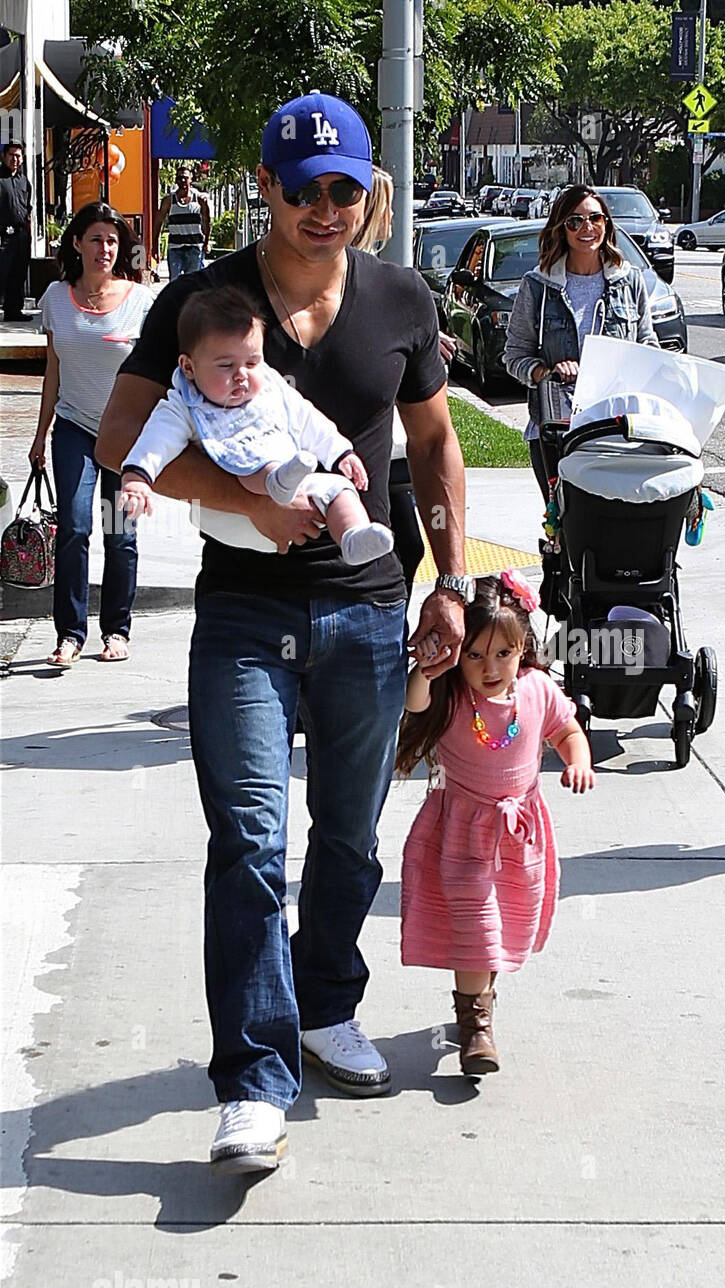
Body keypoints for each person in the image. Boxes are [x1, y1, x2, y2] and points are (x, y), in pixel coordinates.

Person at [96, 92, 470, 1175]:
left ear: (366, 192)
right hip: (246, 613)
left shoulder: (400, 296)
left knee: (349, 837)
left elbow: (436, 444)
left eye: (342, 188)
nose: (322, 207)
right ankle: (253, 1079)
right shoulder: (201, 302)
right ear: (262, 186)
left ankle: (322, 1004)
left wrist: (452, 582)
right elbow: (126, 436)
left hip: (367, 604)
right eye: (301, 188)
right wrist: (250, 503)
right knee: (251, 843)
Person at [397, 572, 594, 1075]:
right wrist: (426, 665)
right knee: (478, 926)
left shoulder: (537, 689)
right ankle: (476, 1030)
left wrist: (577, 759)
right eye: (475, 656)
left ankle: (482, 997)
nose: (490, 668)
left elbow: (566, 728)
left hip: (518, 834)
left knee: (504, 923)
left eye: (503, 654)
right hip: (461, 832)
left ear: (523, 647)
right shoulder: (453, 696)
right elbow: (414, 702)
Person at [119, 284, 394, 566]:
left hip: (295, 485)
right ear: (189, 368)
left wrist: (339, 453)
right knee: (257, 470)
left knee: (338, 490)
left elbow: (307, 418)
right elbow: (156, 440)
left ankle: (353, 537)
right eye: (226, 366)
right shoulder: (186, 406)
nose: (242, 375)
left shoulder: (270, 386)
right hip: (235, 515)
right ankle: (276, 480)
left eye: (252, 362)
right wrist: (138, 478)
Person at [30, 202, 153, 665]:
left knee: (120, 534)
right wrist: (40, 436)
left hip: (124, 437)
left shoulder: (141, 302)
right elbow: (52, 372)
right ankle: (69, 634)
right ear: (77, 243)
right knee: (75, 528)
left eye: (113, 240)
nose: (105, 248)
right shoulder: (55, 299)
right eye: (96, 239)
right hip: (74, 430)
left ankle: (117, 631)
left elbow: (156, 375)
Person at [504, 183, 659, 501]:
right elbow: (515, 356)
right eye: (575, 221)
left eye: (595, 219)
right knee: (565, 528)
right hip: (557, 430)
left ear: (607, 224)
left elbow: (648, 345)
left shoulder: (630, 281)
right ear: (561, 229)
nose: (587, 228)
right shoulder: (538, 286)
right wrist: (547, 373)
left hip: (616, 429)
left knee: (616, 527)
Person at [350, 164, 458, 593]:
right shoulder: (358, 282)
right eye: (389, 207)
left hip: (396, 452)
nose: (394, 218)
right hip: (373, 451)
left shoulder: (394, 286)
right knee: (401, 543)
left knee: (405, 543)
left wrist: (426, 349)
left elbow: (436, 438)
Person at [155, 164, 210, 281]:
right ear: (176, 180)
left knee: (193, 283)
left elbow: (206, 222)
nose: (183, 180)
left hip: (194, 248)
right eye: (179, 178)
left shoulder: (199, 199)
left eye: (185, 177)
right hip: (175, 248)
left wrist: (206, 242)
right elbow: (159, 222)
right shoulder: (169, 201)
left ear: (191, 179)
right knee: (174, 283)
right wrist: (155, 246)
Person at [1, 141, 33, 320]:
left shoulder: (23, 181)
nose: (15, 159)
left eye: (18, 156)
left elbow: (28, 207)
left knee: (18, 273)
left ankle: (13, 311)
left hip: (21, 234)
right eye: (12, 155)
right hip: (3, 234)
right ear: (4, 157)